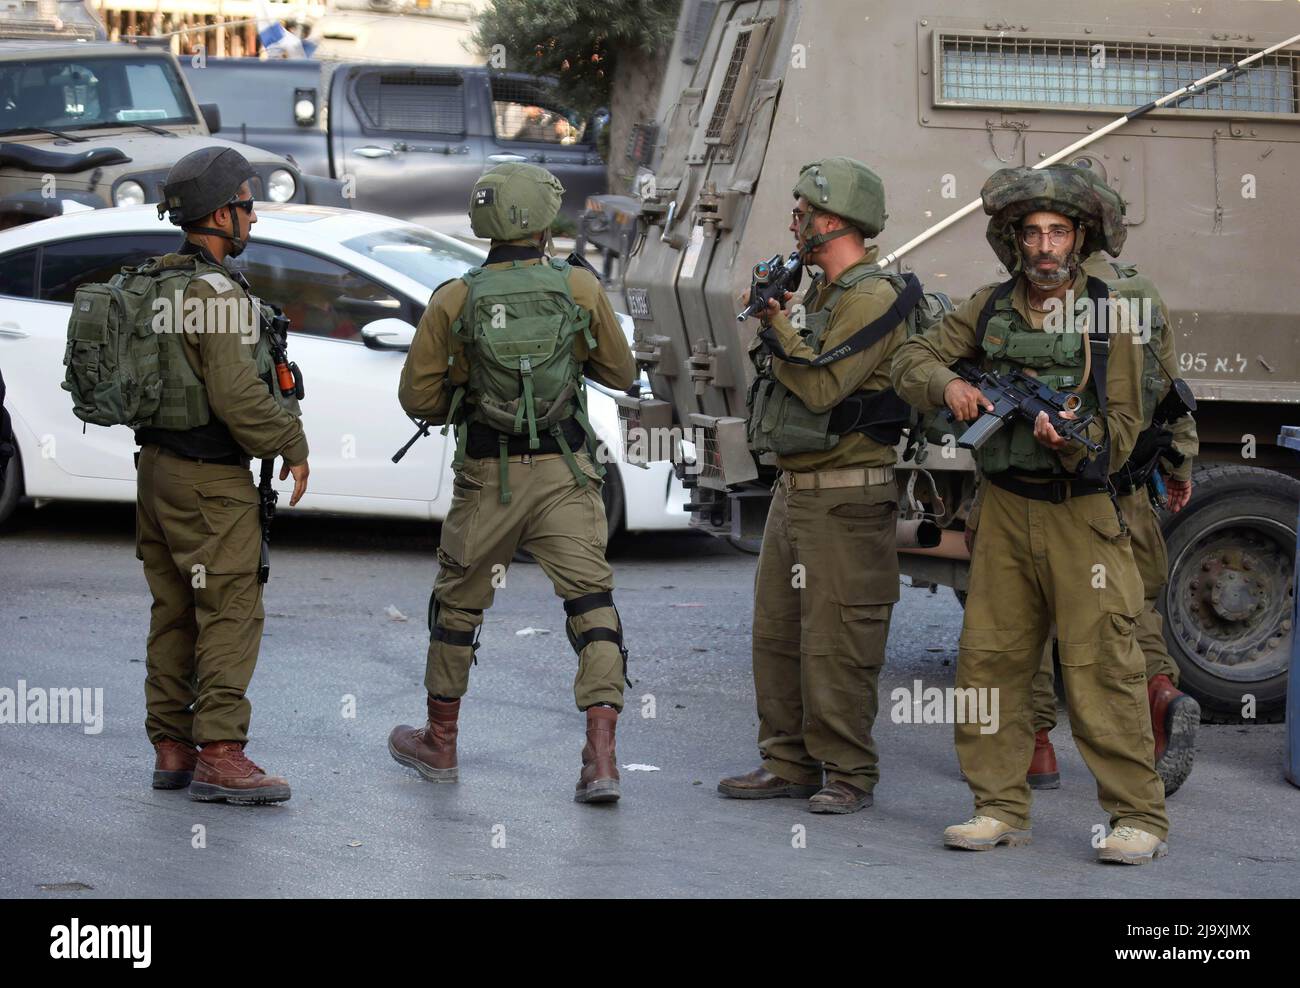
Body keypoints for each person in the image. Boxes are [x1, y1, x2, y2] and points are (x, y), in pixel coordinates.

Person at [892, 164, 1170, 863]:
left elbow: (1128, 421)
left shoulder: (1111, 313)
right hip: (1006, 511)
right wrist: (950, 383)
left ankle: (1137, 815)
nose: (1045, 246)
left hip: (1081, 514)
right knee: (991, 663)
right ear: (1014, 240)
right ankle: (997, 806)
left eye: (1058, 232)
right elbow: (912, 359)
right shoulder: (986, 308)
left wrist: (1079, 445)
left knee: (1103, 664)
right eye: (1033, 233)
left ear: (1079, 238)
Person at [388, 162, 636, 803]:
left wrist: (468, 395)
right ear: (545, 221)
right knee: (591, 605)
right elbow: (620, 369)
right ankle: (601, 757)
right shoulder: (578, 287)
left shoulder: (456, 297)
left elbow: (417, 395)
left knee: (459, 606)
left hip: (487, 477)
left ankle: (440, 743)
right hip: (566, 473)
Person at [718, 157, 915, 814]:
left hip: (847, 498)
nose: (795, 222)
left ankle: (848, 772)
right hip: (796, 490)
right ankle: (787, 762)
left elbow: (825, 384)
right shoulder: (824, 294)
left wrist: (775, 321)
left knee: (837, 642)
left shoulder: (870, 297)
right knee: (776, 635)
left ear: (832, 220)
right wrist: (777, 310)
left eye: (803, 212)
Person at [139, 147, 310, 803]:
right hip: (210, 479)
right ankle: (220, 754)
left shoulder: (157, 281)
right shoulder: (218, 296)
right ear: (218, 214)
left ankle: (172, 747)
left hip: (155, 472)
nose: (255, 217)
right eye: (246, 203)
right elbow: (240, 401)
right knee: (229, 611)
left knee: (174, 610)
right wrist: (292, 443)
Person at [1027, 245, 1200, 797]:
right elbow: (1172, 387)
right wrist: (1182, 461)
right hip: (1123, 483)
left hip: (1045, 482)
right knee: (1128, 607)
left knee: (1026, 609)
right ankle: (1160, 696)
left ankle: (1035, 746)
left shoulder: (1035, 289)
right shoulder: (1140, 290)